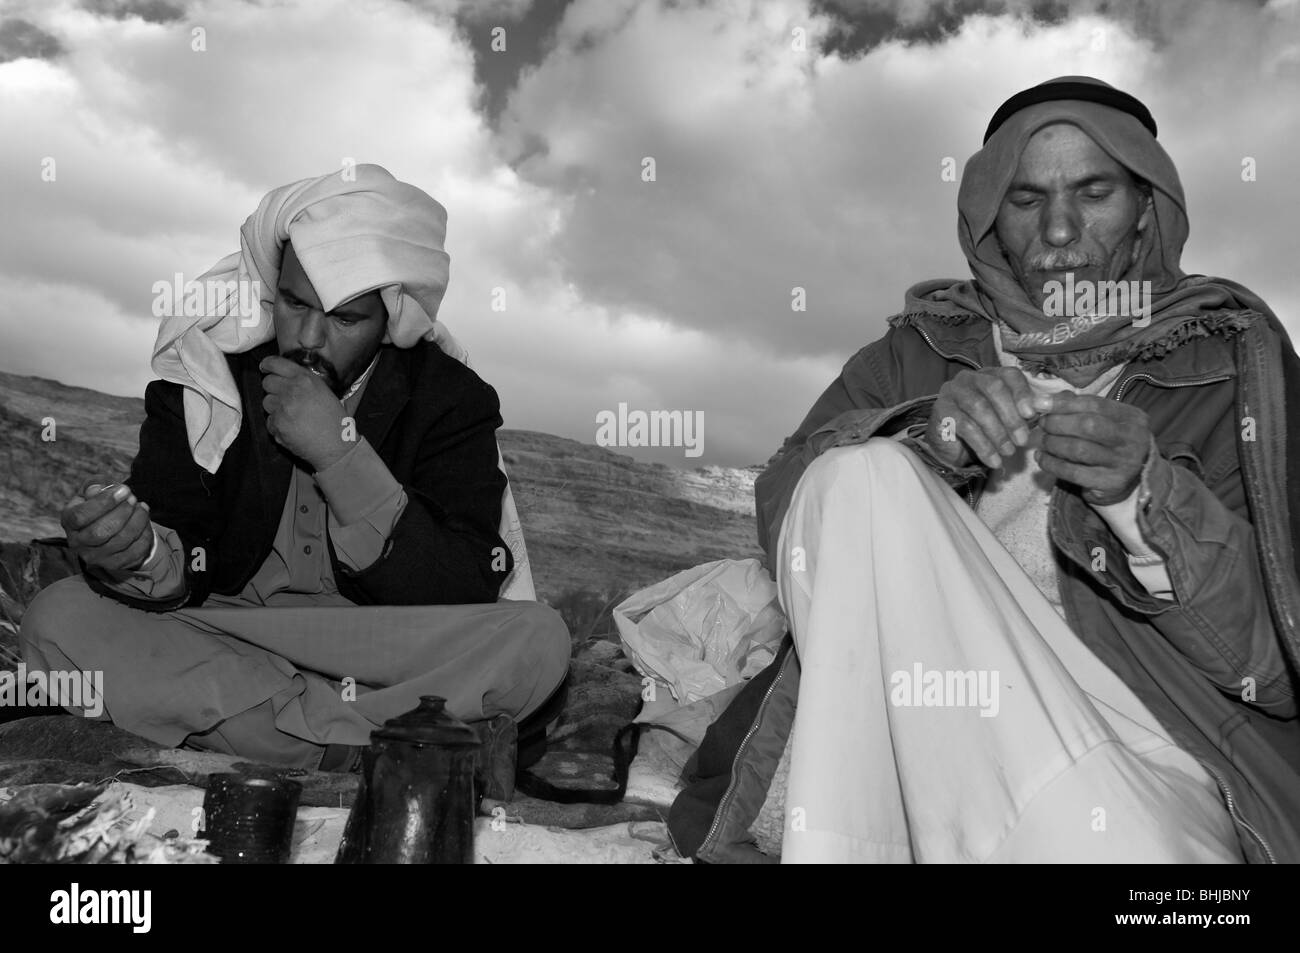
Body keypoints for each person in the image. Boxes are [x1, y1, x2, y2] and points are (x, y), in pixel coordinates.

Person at [754, 77, 1300, 862]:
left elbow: (1270, 670)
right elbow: (787, 519)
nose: (1059, 229)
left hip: (1147, 744)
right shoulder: (917, 350)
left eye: (1094, 191)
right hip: (910, 733)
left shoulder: (1235, 369)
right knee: (858, 475)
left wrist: (1145, 496)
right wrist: (928, 438)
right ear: (989, 224)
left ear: (1148, 206)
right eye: (1025, 199)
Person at [20, 164, 569, 772]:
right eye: (294, 303)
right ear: (270, 289)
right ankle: (373, 746)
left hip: (381, 645)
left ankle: (276, 728)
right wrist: (135, 555)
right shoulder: (205, 379)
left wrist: (340, 453)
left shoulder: (450, 399)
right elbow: (177, 550)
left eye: (344, 319)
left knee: (537, 642)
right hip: (232, 630)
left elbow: (462, 583)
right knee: (60, 618)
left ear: (390, 317)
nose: (308, 337)